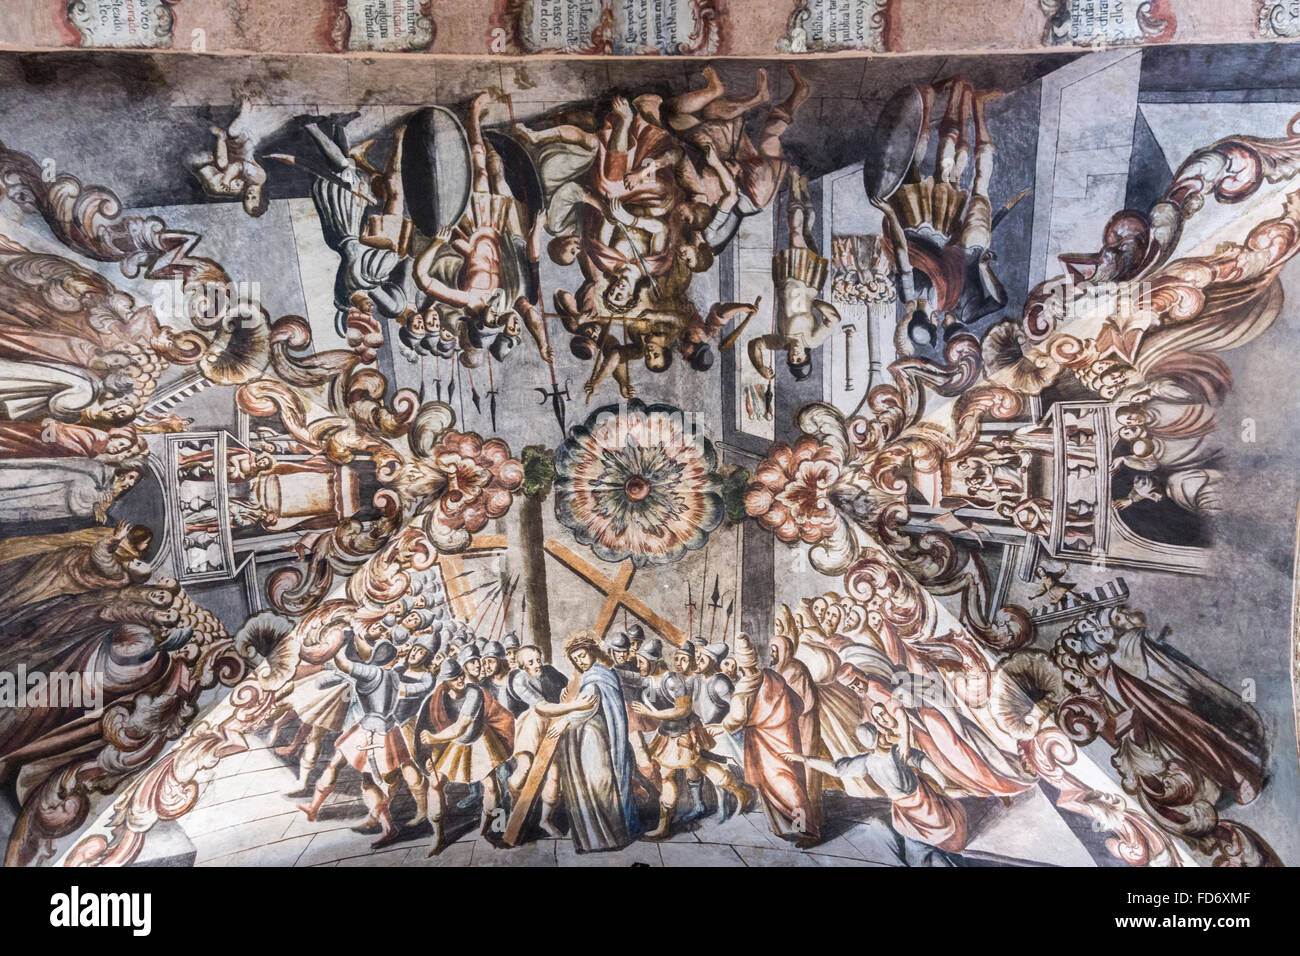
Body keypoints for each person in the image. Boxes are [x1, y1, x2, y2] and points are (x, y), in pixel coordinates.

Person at [296, 638, 417, 850]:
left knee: (363, 777)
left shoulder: (374, 673)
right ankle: (313, 807)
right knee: (340, 764)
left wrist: (333, 644)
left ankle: (388, 827)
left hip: (370, 731)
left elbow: (344, 664)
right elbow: (412, 690)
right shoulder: (394, 677)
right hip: (385, 729)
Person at [534, 630, 639, 852]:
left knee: (599, 785)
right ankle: (597, 838)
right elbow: (582, 698)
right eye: (575, 659)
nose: (580, 661)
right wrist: (568, 697)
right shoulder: (594, 674)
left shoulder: (597, 676)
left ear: (592, 651)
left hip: (594, 739)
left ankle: (608, 837)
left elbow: (590, 703)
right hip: (586, 739)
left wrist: (565, 721)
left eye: (582, 655)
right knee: (590, 786)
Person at [714, 634, 819, 846]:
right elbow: (797, 703)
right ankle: (789, 827)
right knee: (790, 779)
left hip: (765, 742)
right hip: (787, 734)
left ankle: (808, 831)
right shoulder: (772, 676)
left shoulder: (745, 688)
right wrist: (782, 719)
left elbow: (736, 719)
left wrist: (721, 727)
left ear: (741, 665)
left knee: (782, 783)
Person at [747, 169, 840, 381]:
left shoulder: (780, 342)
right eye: (800, 359)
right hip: (806, 279)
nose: (795, 356)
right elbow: (834, 318)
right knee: (799, 231)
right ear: (807, 356)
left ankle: (801, 186)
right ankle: (795, 181)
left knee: (803, 231)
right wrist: (813, 301)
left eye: (793, 360)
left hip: (785, 277)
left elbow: (755, 345)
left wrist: (760, 366)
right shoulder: (813, 341)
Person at [417, 658, 513, 854]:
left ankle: (484, 833)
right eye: (454, 678)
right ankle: (438, 835)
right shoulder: (435, 699)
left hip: (478, 740)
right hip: (451, 744)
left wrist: (434, 739)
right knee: (435, 784)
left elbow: (461, 726)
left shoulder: (474, 692)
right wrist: (428, 755)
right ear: (445, 682)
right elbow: (424, 727)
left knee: (492, 788)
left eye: (460, 674)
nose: (460, 679)